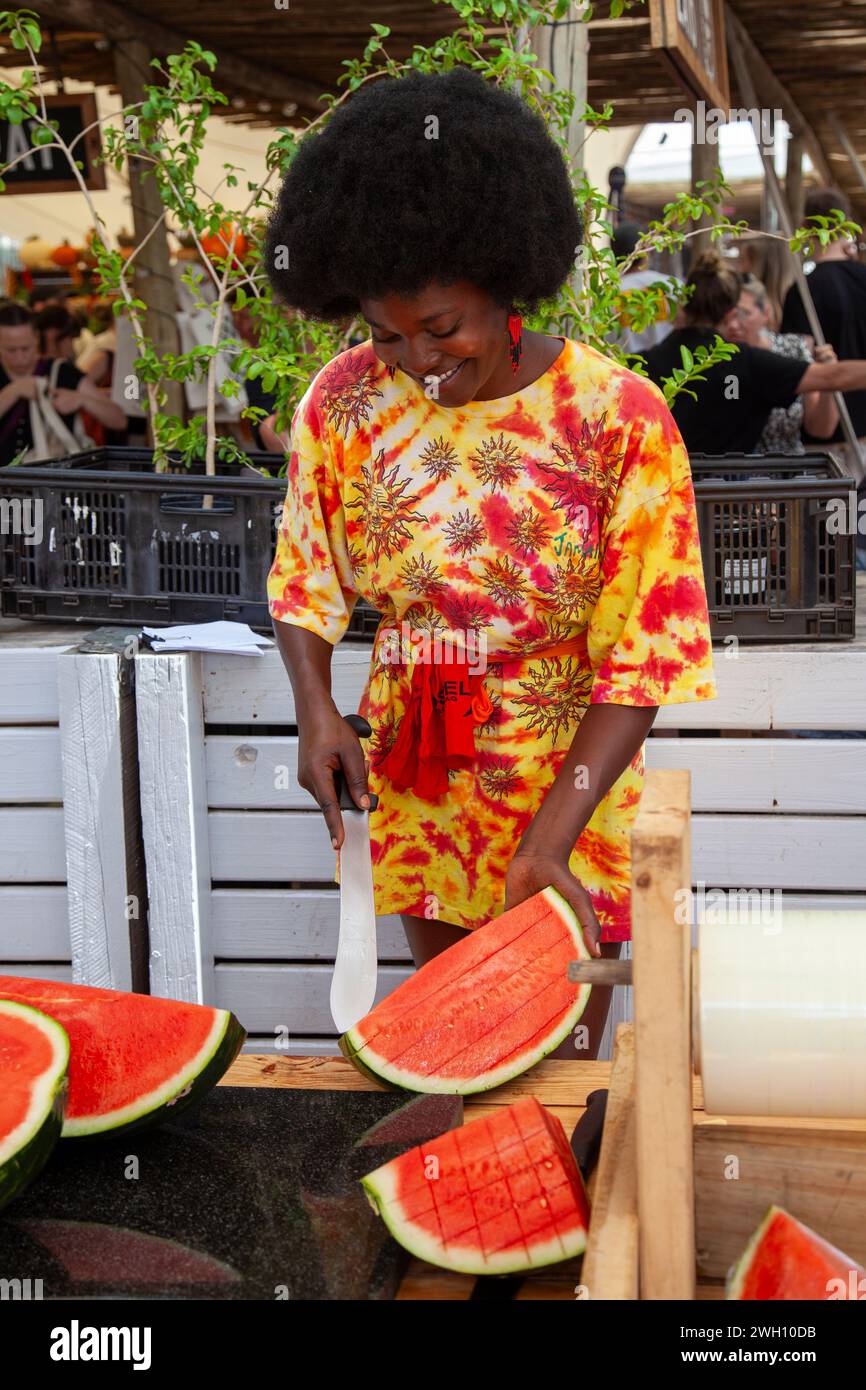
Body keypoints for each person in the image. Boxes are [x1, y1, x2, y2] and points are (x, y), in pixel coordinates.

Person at [264, 69, 718, 1058]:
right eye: (384, 333)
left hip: (570, 785)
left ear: (505, 286)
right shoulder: (342, 402)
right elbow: (304, 574)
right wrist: (316, 706)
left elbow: (643, 656)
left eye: (440, 327)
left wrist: (549, 837)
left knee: (547, 1065)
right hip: (420, 776)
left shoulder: (616, 418)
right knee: (451, 1052)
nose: (414, 361)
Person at [642, 250, 866, 457]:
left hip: (666, 486)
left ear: (684, 307)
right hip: (734, 491)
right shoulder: (746, 362)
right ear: (730, 314)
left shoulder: (645, 361)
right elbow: (832, 376)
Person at [781, 187, 866, 476]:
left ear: (806, 228)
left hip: (826, 442)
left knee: (833, 519)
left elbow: (800, 359)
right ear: (849, 225)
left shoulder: (803, 291)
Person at [725, 274, 839, 454]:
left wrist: (829, 380)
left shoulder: (792, 349)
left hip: (787, 471)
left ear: (766, 313)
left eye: (743, 313)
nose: (732, 324)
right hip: (735, 473)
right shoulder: (717, 356)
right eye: (726, 315)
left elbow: (821, 428)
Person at [0, 302, 126, 465]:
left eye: (26, 348)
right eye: (11, 350)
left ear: (37, 339)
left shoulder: (61, 372)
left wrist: (82, 399)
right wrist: (13, 391)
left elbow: (119, 419)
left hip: (50, 482)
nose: (20, 356)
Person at [607, 221, 681, 353]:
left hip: (623, 369)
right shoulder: (672, 285)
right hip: (670, 370)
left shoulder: (606, 295)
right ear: (644, 251)